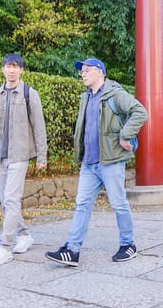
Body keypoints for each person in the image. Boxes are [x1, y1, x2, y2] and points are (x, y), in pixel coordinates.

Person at [45, 57, 147, 267]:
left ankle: (128, 245)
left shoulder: (115, 94)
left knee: (118, 204)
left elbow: (140, 112)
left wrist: (125, 135)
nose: (83, 73)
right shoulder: (86, 97)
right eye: (82, 70)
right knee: (82, 204)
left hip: (111, 161)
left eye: (88, 70)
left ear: (100, 71)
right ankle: (72, 250)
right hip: (89, 163)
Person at [0, 53, 47, 266]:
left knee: (11, 200)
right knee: (7, 203)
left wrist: (42, 156)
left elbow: (39, 126)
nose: (11, 70)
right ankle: (24, 234)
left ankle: (4, 247)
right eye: (8, 66)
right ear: (2, 69)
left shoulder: (29, 94)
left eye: (15, 67)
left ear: (21, 70)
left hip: (19, 155)